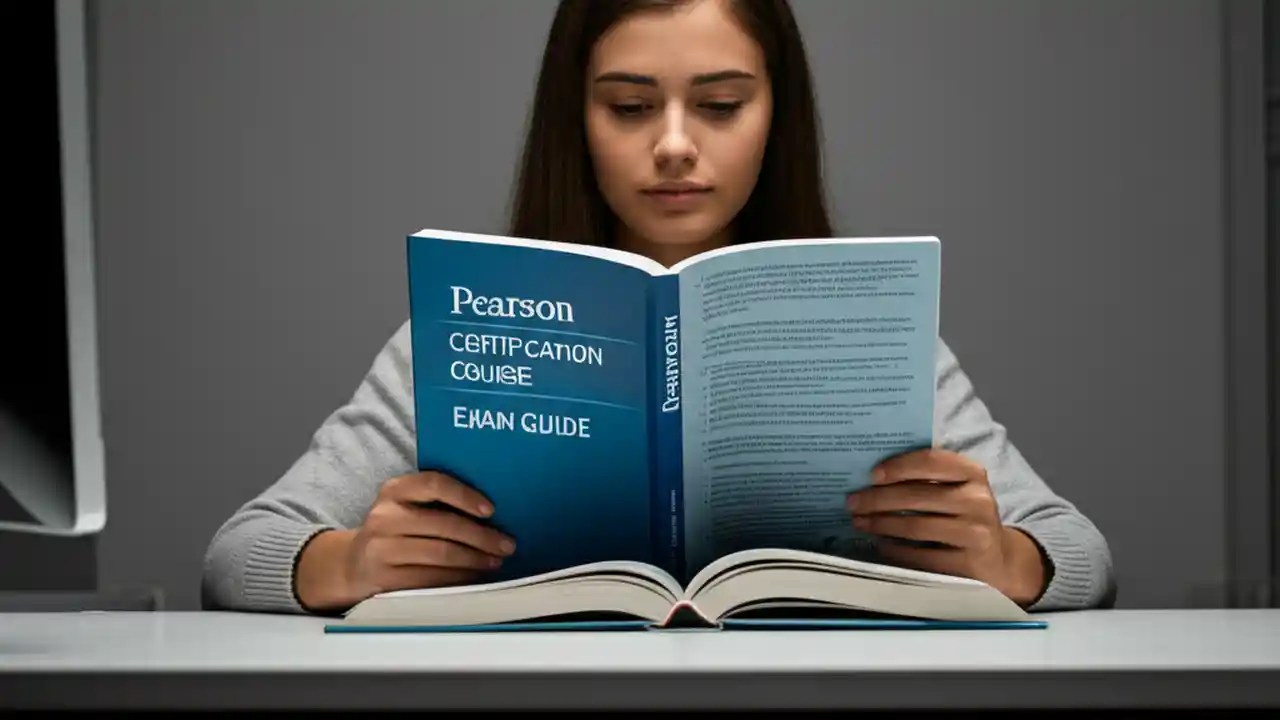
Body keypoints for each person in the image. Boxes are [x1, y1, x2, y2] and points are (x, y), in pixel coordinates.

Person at [202, 0, 1116, 615]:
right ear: (580, 123)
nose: (674, 145)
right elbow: (240, 553)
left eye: (720, 105)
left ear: (774, 119)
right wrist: (349, 565)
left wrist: (1007, 563)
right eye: (631, 106)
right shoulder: (469, 327)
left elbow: (1080, 554)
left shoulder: (877, 331)